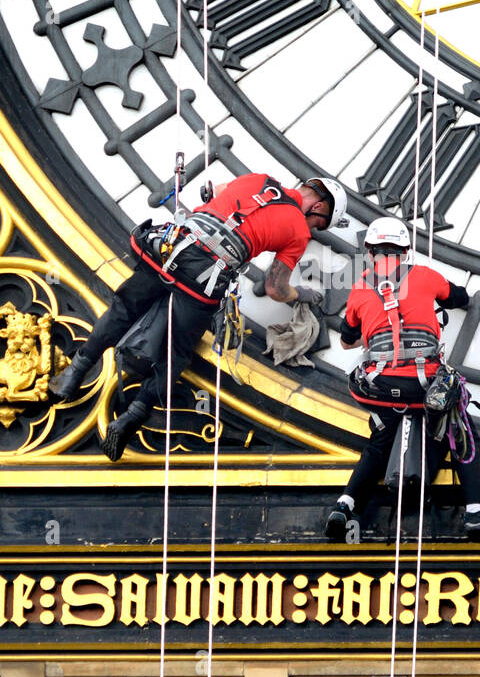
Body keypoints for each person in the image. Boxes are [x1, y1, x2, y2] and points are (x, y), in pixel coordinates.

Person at [49, 172, 348, 461]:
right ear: (318, 207)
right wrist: (300, 295)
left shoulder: (259, 180)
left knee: (123, 310)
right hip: (202, 280)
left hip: (170, 251)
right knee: (176, 354)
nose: (314, 229)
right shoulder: (298, 231)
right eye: (319, 224)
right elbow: (275, 287)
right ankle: (131, 417)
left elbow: (212, 191)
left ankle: (74, 371)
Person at [324, 217, 480, 541]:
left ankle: (345, 507)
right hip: (424, 383)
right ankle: (476, 511)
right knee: (460, 430)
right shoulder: (424, 276)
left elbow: (347, 340)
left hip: (381, 389)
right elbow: (458, 297)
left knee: (380, 439)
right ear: (405, 251)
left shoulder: (359, 288)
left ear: (370, 251)